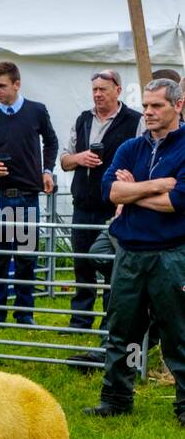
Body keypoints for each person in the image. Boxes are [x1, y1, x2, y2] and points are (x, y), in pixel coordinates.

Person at [83, 78, 185, 427]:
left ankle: (184, 404)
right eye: (145, 106)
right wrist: (156, 185)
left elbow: (178, 201)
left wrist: (133, 191)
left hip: (171, 256)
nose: (149, 112)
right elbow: (109, 192)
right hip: (129, 253)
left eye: (157, 106)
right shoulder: (130, 147)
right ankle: (116, 397)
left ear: (178, 106)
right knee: (122, 328)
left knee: (178, 332)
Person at [59, 70, 140, 352]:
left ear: (118, 90)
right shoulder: (82, 119)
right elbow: (64, 159)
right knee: (81, 262)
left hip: (114, 206)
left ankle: (109, 322)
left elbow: (140, 163)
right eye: (94, 89)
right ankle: (79, 319)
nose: (97, 94)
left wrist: (126, 199)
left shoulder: (135, 121)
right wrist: (79, 158)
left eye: (103, 89)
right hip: (83, 203)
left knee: (109, 264)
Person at [0, 60, 57, 326]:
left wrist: (47, 169)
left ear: (17, 84)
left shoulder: (36, 111)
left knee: (26, 257)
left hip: (29, 194)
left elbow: (51, 141)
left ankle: (25, 313)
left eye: (2, 86)